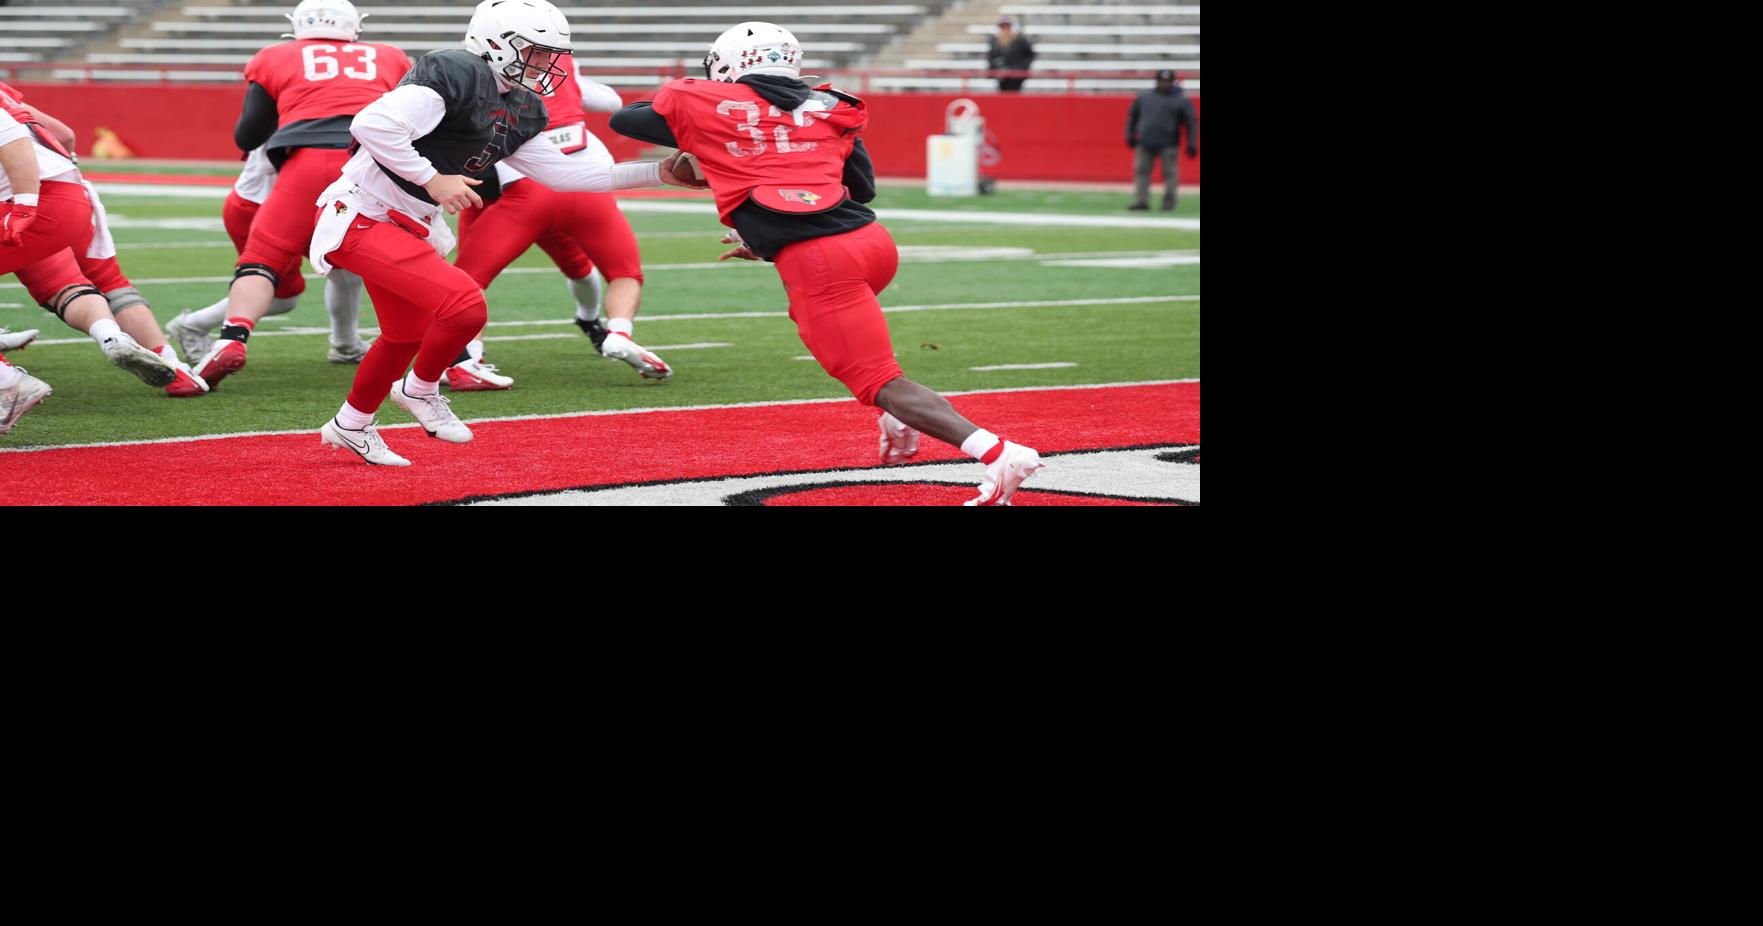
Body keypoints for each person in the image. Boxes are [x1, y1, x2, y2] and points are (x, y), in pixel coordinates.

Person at [610, 21, 1045, 505]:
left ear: (728, 66)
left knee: (876, 378)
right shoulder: (824, 106)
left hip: (821, 259)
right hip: (871, 244)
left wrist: (733, 149)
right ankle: (901, 413)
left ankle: (999, 453)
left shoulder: (709, 102)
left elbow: (627, 120)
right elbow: (860, 188)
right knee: (852, 351)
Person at [310, 0, 702, 466]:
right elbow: (372, 124)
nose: (546, 64)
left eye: (549, 54)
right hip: (362, 212)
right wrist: (431, 178)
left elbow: (564, 176)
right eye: (536, 52)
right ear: (497, 43)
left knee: (403, 336)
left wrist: (658, 172)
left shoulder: (522, 105)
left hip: (408, 223)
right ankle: (420, 390)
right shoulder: (454, 70)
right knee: (463, 304)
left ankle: (350, 425)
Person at [186, 0, 412, 390]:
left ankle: (231, 338)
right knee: (379, 257)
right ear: (354, 26)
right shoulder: (388, 56)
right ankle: (448, 358)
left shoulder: (276, 56)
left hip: (302, 164)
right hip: (368, 163)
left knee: (260, 264)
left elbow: (248, 135)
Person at [451, 54, 669, 389]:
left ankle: (469, 355)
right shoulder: (563, 70)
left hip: (525, 195)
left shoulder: (484, 78)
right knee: (622, 273)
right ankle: (617, 331)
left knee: (469, 280)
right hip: (588, 190)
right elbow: (610, 100)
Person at [1, 107, 178, 396]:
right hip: (70, 192)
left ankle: (8, 384)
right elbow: (65, 135)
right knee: (75, 285)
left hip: (25, 201)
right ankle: (140, 351)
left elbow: (9, 135)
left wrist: (24, 205)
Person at [163, 145, 372, 369]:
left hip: (304, 200)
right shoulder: (296, 118)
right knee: (281, 297)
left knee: (346, 270)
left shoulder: (316, 117)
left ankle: (345, 343)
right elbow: (254, 143)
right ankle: (192, 325)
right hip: (261, 205)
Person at [1126, 69, 1198, 211]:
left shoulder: (1181, 99)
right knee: (1142, 173)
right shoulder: (1145, 97)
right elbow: (1132, 116)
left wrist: (1192, 142)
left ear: (1172, 82)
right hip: (1145, 141)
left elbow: (1191, 122)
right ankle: (1142, 201)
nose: (1164, 83)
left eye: (1167, 81)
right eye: (1161, 81)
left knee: (1170, 175)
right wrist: (1130, 134)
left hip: (1169, 143)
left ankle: (1168, 203)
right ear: (1156, 81)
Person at [986, 16, 1035, 92]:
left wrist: (1020, 68)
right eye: (1003, 27)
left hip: (1017, 76)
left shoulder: (1020, 40)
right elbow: (991, 58)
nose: (1005, 29)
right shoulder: (995, 41)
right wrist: (996, 69)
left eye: (1007, 26)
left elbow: (1029, 55)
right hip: (1001, 77)